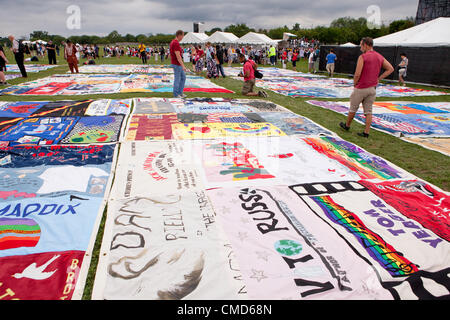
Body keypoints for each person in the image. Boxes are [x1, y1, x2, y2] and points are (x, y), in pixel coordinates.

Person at [339, 37, 394, 138]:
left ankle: (347, 125)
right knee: (368, 111)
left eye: (361, 45)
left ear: (366, 45)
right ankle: (366, 132)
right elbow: (390, 69)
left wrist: (355, 83)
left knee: (353, 108)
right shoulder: (379, 57)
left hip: (361, 87)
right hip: (372, 88)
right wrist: (378, 79)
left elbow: (357, 74)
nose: (360, 48)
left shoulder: (363, 57)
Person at [170, 30, 191, 98]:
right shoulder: (175, 43)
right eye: (182, 35)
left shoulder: (174, 42)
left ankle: (180, 92)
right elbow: (178, 56)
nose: (183, 37)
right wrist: (183, 66)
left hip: (176, 63)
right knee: (177, 79)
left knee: (183, 77)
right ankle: (176, 94)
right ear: (179, 35)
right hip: (177, 64)